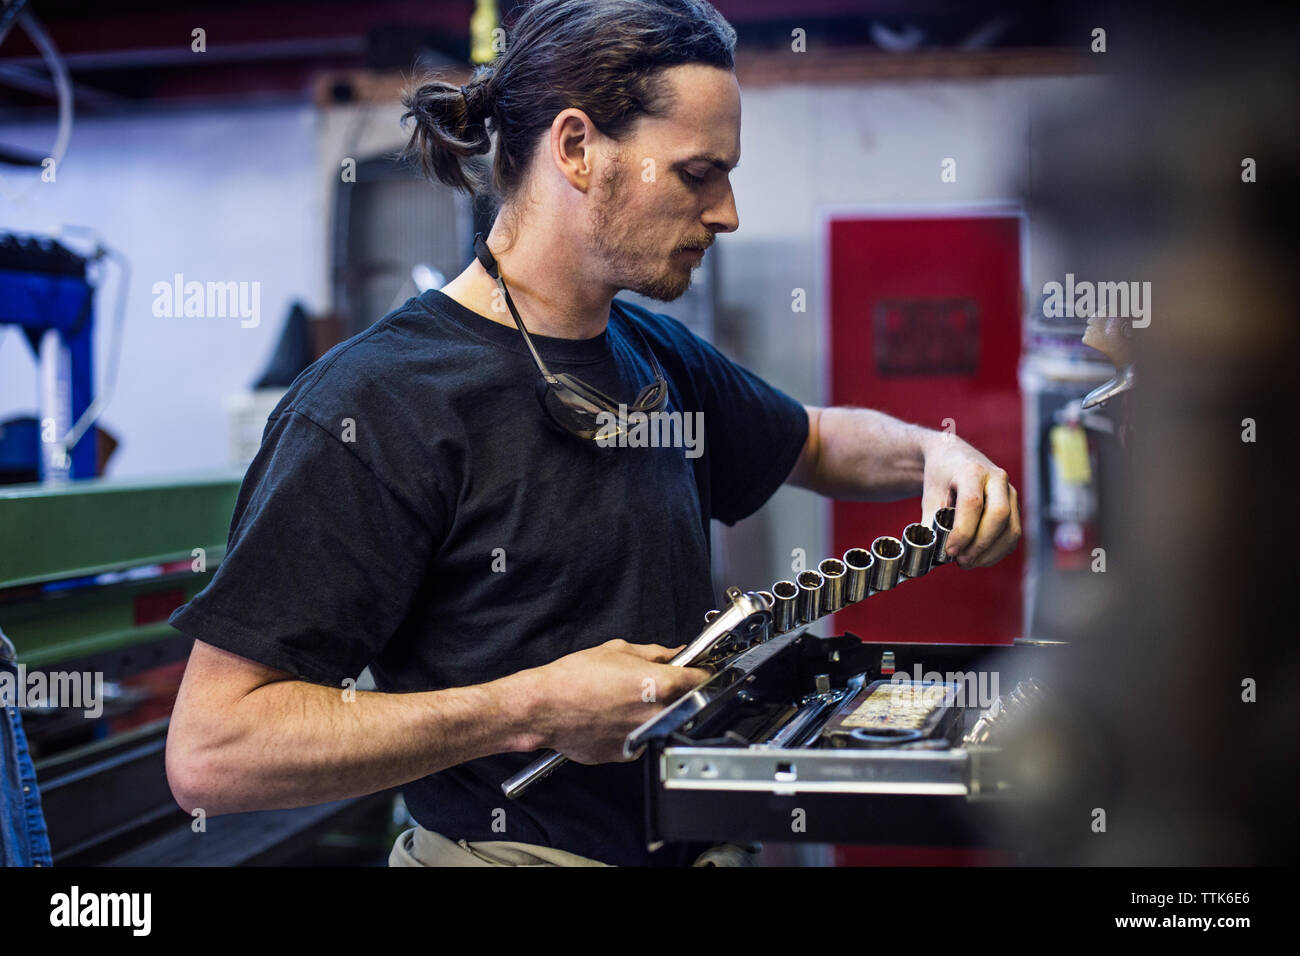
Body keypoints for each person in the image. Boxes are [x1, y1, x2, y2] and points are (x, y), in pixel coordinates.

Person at [165, 0, 1020, 867]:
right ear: (576, 149)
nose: (725, 213)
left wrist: (933, 450)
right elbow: (213, 751)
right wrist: (528, 708)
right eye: (697, 174)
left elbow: (814, 441)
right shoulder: (377, 403)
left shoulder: (649, 351)